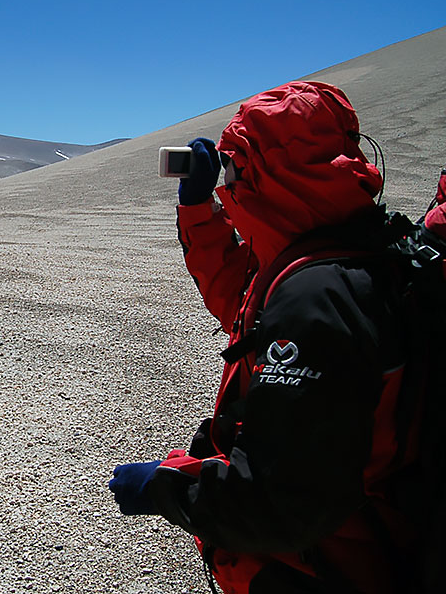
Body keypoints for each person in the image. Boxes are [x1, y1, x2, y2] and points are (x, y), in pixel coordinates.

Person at [108, 81, 426, 593]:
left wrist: (166, 486)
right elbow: (242, 304)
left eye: (232, 169)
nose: (228, 185)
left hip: (323, 567)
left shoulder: (319, 298)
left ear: (258, 171)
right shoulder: (352, 247)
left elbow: (283, 501)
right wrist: (197, 210)